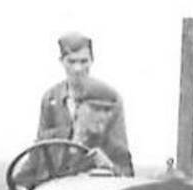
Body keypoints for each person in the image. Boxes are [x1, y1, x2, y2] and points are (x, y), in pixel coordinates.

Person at [37, 31, 131, 171]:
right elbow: (39, 152)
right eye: (72, 61)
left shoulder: (110, 99)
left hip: (91, 185)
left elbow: (123, 162)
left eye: (83, 61)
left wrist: (108, 165)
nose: (78, 68)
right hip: (56, 183)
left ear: (92, 61)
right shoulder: (51, 99)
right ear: (61, 61)